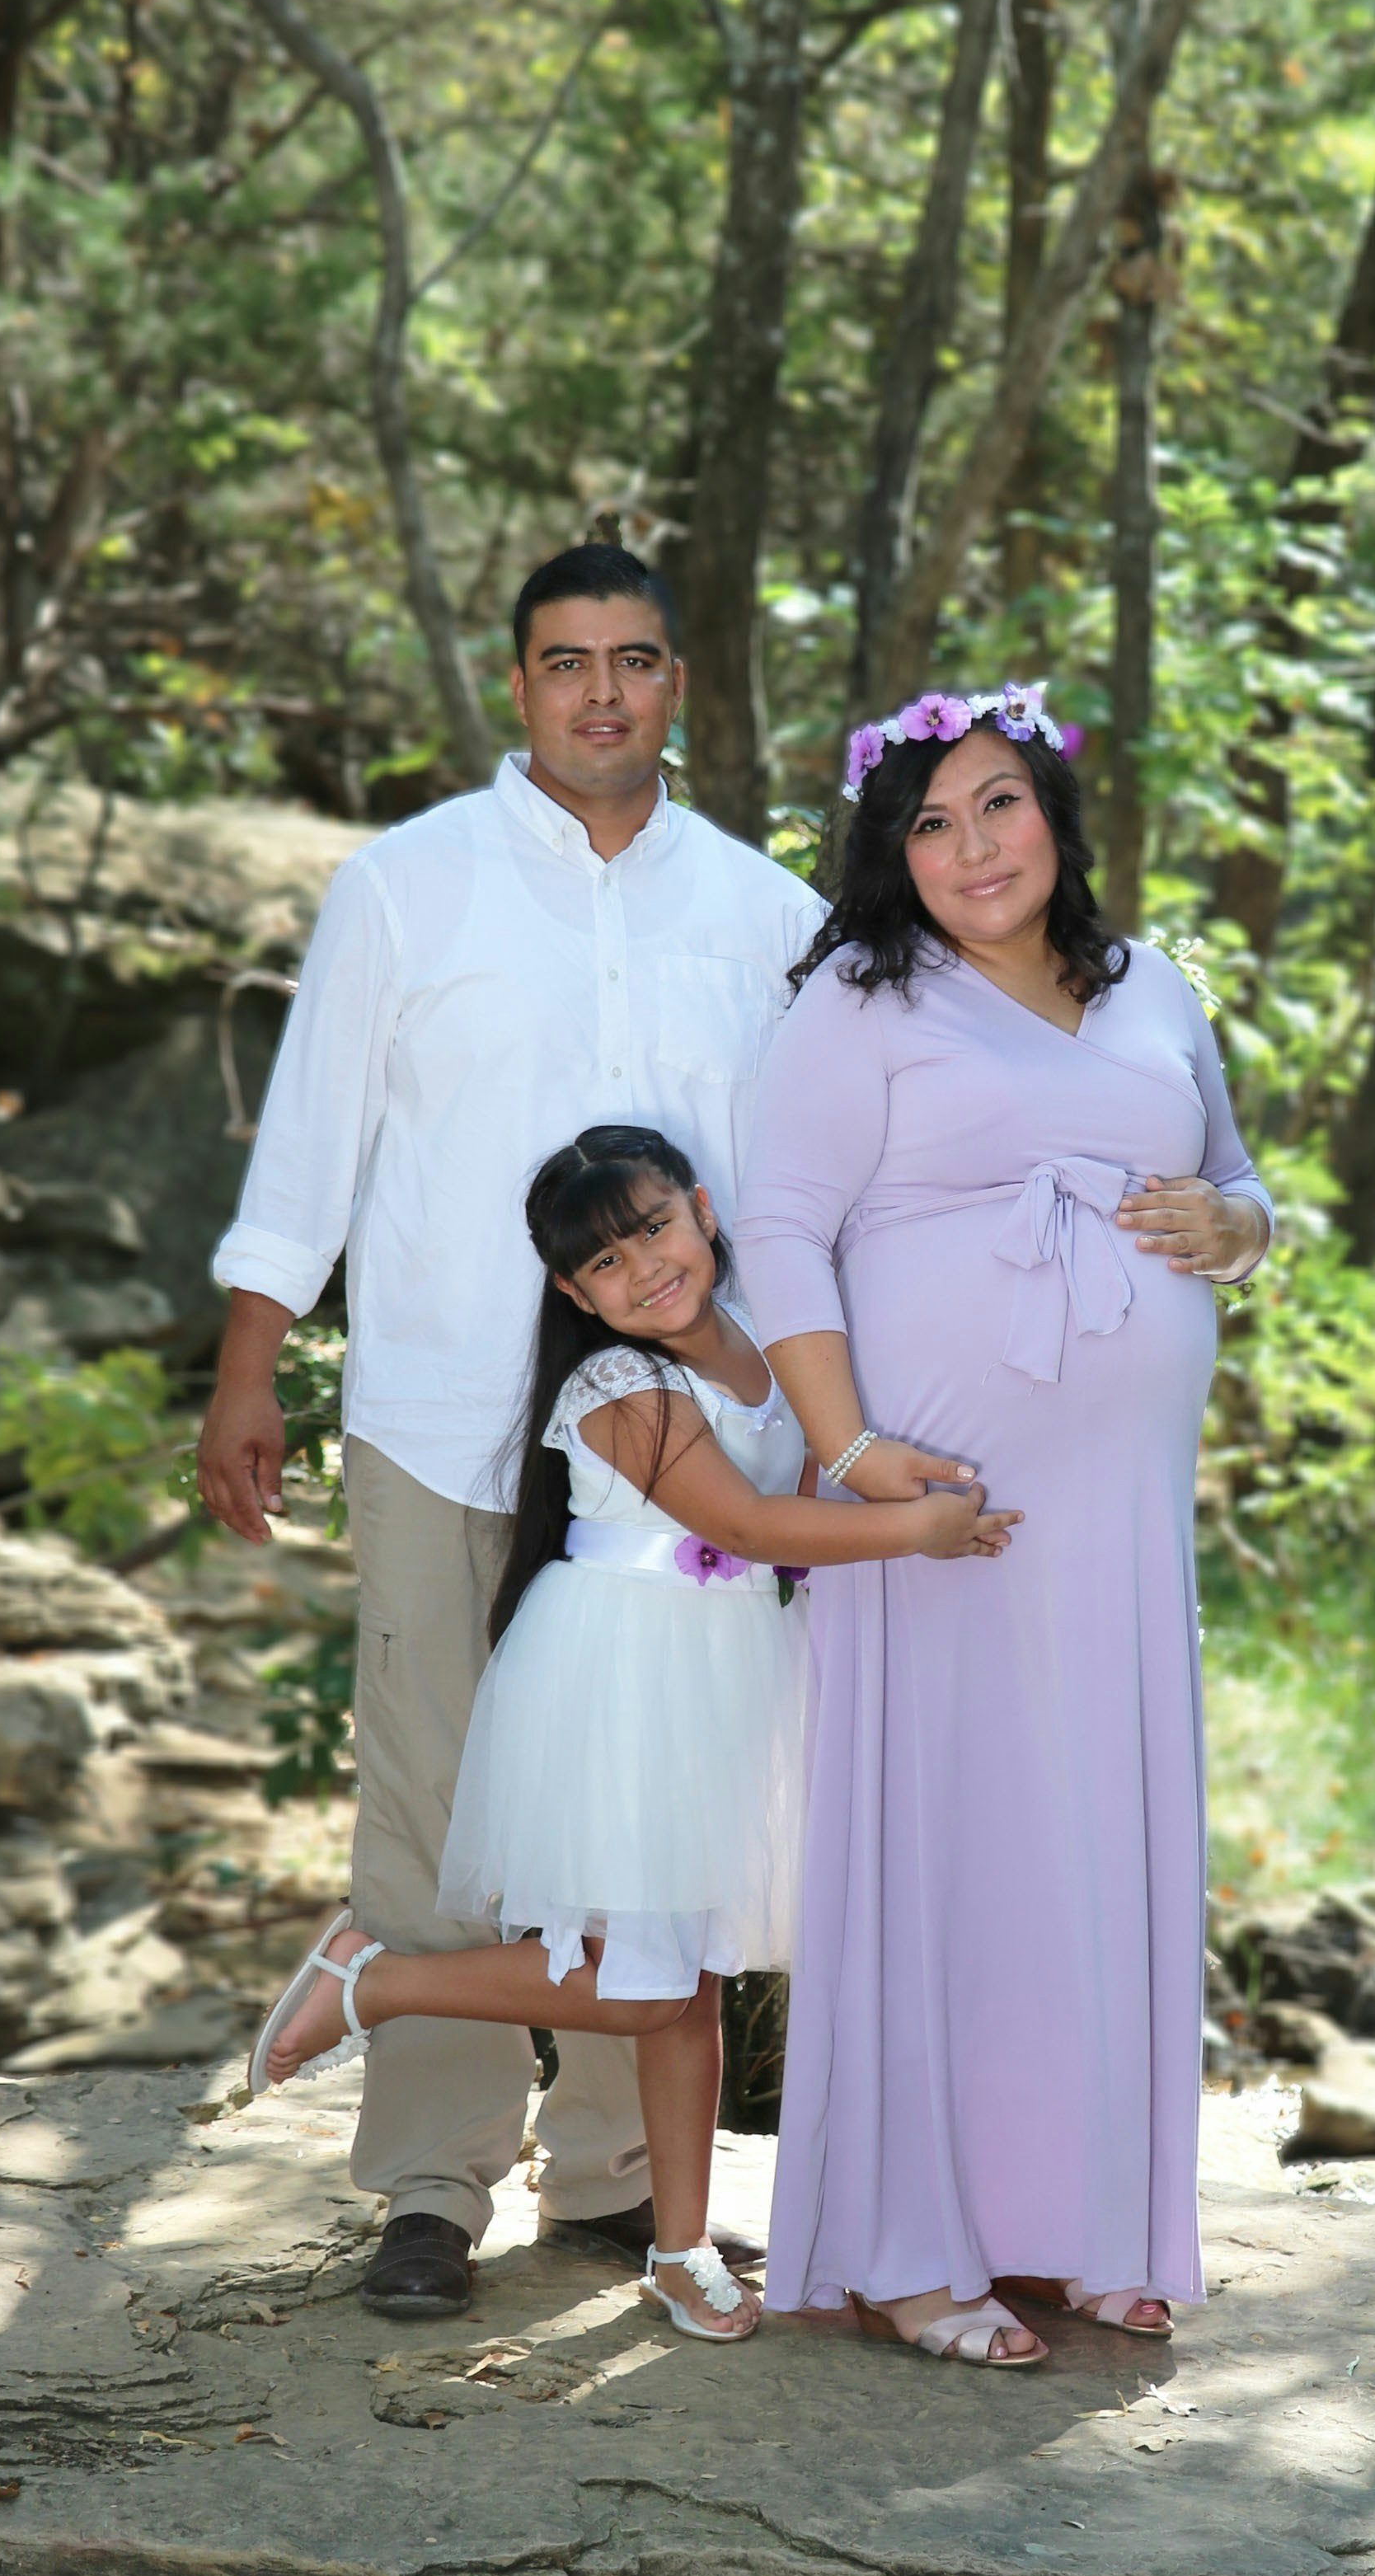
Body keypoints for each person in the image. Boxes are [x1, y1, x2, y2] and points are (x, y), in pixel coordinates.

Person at [195, 541, 871, 2320]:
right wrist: (252, 1359)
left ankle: (620, 2184)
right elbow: (314, 1142)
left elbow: (811, 1181)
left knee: (651, 1795)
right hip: (440, 1402)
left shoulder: (758, 911)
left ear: (676, 685)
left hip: (676, 1449)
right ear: (518, 685)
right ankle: (430, 2183)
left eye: (633, 660)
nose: (599, 692)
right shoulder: (406, 886)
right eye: (564, 661)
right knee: (434, 1792)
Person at [249, 1123, 1016, 2342]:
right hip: (625, 1678)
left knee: (693, 1973)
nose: (643, 1269)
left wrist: (896, 1484)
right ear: (571, 1293)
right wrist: (914, 1533)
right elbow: (752, 1524)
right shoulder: (617, 1386)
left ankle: (677, 2245)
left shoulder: (769, 1335)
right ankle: (380, 1979)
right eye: (603, 1264)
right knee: (650, 1984)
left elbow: (826, 1465)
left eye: (655, 1227)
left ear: (704, 1211)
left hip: (728, 1677)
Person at [734, 683, 1272, 2367]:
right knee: (945, 1838)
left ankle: (1089, 2219)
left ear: (1056, 814)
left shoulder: (1153, 983)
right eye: (933, 821)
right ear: (896, 854)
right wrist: (850, 1449)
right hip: (937, 1493)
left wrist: (1234, 1227)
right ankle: (910, 2245)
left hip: (1121, 1512)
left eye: (999, 805)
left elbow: (1251, 1197)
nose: (972, 846)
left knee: (1090, 1833)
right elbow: (781, 1228)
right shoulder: (859, 996)